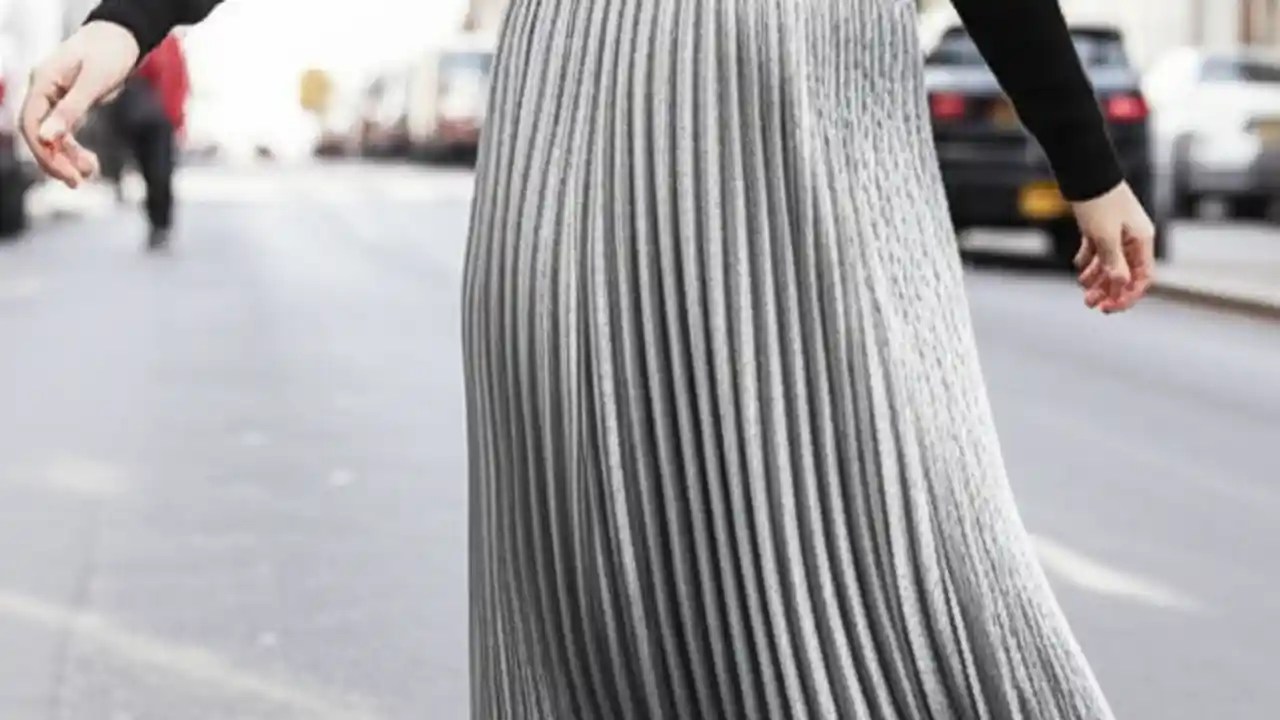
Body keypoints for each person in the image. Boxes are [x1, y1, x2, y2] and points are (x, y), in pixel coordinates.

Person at [21, 1, 1155, 718]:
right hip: (579, 127)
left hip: (810, 138)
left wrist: (1085, 164)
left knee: (893, 531)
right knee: (593, 562)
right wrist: (130, 20)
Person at [112, 31, 189, 248]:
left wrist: (177, 119)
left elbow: (178, 82)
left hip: (161, 119)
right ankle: (157, 223)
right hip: (143, 119)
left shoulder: (168, 43)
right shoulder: (136, 38)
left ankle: (161, 224)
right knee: (151, 173)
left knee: (159, 173)